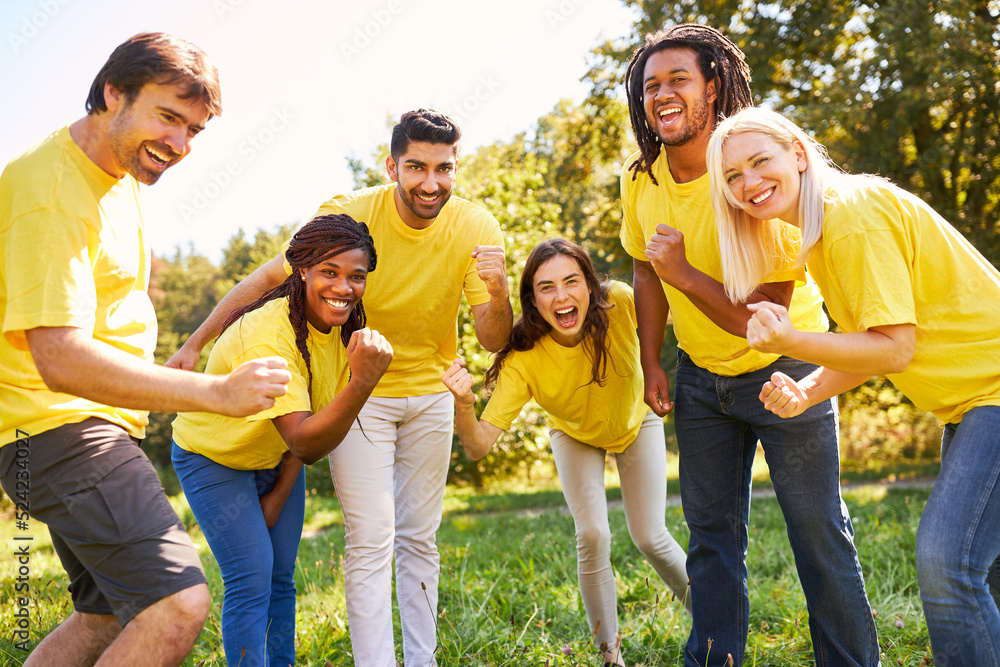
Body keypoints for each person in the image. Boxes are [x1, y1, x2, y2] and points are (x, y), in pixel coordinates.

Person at [166, 109, 512, 666]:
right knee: (371, 540)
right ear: (391, 165)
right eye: (416, 167)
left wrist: (498, 289)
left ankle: (421, 661)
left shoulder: (476, 227)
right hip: (358, 394)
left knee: (420, 539)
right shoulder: (348, 215)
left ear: (456, 168)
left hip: (430, 394)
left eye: (444, 169)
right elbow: (267, 279)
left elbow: (496, 339)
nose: (430, 183)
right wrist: (195, 343)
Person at [0, 33, 291, 667]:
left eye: (194, 130)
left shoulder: (118, 175)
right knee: (176, 603)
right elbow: (61, 357)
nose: (180, 145)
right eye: (168, 117)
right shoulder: (51, 189)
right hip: (59, 425)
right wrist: (216, 392)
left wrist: (182, 354)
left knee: (104, 615)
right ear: (113, 93)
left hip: (72, 427)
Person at [618, 24, 879, 666]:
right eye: (651, 85)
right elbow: (646, 268)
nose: (663, 94)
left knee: (817, 531)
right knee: (710, 539)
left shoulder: (752, 173)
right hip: (702, 379)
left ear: (713, 85)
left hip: (789, 369)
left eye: (679, 79)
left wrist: (683, 273)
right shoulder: (641, 178)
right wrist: (653, 359)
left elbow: (763, 316)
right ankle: (714, 660)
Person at [708, 105, 1000, 666]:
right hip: (971, 409)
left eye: (759, 161)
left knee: (948, 564)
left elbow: (895, 348)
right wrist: (808, 390)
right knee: (981, 574)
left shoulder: (851, 216)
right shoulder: (822, 232)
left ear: (798, 152)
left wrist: (790, 341)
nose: (748, 184)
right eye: (732, 176)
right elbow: (873, 345)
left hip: (993, 398)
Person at [441, 238, 689, 667]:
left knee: (650, 535)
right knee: (592, 534)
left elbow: (672, 317)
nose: (561, 296)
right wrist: (464, 406)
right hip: (574, 434)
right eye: (546, 287)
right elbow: (479, 445)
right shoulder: (524, 357)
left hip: (635, 419)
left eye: (572, 281)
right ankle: (610, 656)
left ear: (591, 286)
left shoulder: (622, 303)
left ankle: (716, 623)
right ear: (532, 301)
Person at [171, 214, 392, 667]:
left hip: (275, 456)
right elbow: (306, 440)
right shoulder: (269, 334)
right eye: (329, 272)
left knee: (279, 579)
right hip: (214, 457)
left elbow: (302, 435)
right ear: (302, 270)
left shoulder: (340, 330)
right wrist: (363, 383)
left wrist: (279, 494)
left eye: (357, 277)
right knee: (251, 576)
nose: (344, 288)